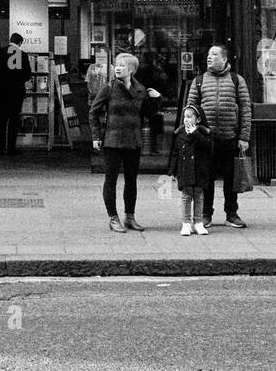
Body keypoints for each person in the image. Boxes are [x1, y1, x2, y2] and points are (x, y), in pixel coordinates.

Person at [89, 51, 161, 232]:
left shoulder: (140, 90)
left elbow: (149, 115)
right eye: (117, 65)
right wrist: (96, 136)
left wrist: (156, 99)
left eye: (122, 65)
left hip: (133, 141)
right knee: (110, 180)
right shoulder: (108, 88)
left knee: (131, 180)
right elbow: (93, 112)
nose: (118, 68)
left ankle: (130, 216)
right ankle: (113, 217)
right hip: (112, 141)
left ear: (132, 70)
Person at [187, 42, 252, 229]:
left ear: (224, 59)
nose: (209, 57)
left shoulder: (237, 80)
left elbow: (246, 109)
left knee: (231, 179)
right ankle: (205, 213)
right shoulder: (199, 81)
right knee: (205, 178)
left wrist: (244, 137)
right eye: (209, 54)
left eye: (214, 54)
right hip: (205, 139)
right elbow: (190, 109)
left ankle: (231, 214)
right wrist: (192, 133)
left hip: (230, 136)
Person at [170, 105, 212, 236]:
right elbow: (175, 153)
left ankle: (198, 222)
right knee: (186, 196)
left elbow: (207, 146)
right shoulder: (179, 134)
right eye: (185, 117)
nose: (186, 120)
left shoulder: (204, 133)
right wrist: (173, 171)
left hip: (199, 170)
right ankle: (186, 223)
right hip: (185, 170)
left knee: (199, 196)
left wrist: (195, 133)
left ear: (198, 119)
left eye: (189, 117)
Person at [0, 33, 32, 156]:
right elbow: (27, 75)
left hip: (2, 90)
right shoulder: (22, 55)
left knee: (1, 119)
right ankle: (11, 148)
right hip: (16, 91)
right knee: (13, 119)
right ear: (20, 43)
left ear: (10, 40)